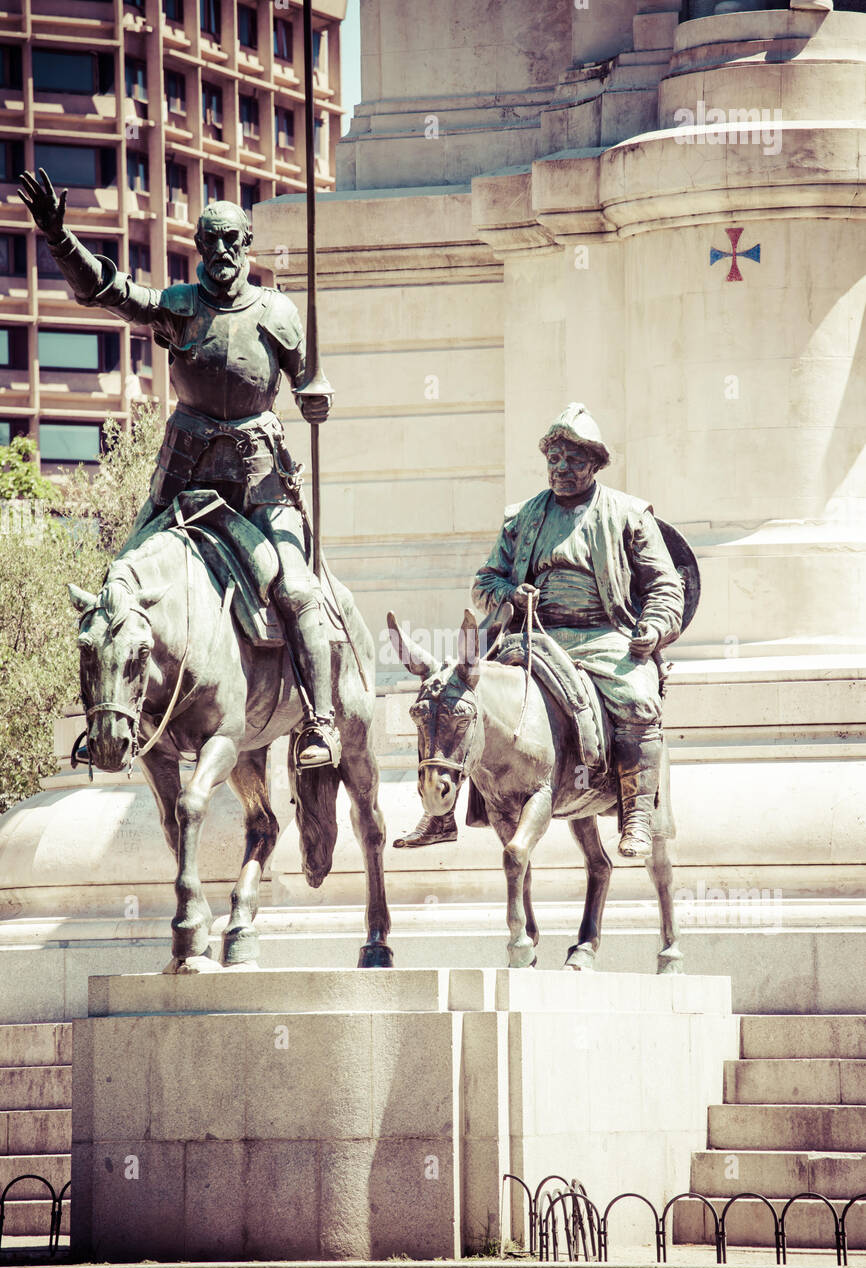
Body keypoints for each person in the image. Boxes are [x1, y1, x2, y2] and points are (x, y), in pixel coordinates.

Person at [18, 167, 339, 769]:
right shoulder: (178, 307)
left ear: (246, 245)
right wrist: (61, 239)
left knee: (296, 588)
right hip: (183, 481)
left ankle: (320, 721)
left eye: (230, 240)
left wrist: (317, 394)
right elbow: (107, 292)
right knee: (117, 590)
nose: (220, 252)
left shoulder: (279, 313)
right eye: (208, 242)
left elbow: (308, 382)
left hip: (258, 487)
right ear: (198, 250)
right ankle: (109, 719)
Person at [396, 403, 685, 857]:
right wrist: (512, 594)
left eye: (573, 460)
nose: (561, 469)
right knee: (459, 696)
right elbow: (484, 582)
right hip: (532, 638)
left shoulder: (629, 514)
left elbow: (666, 584)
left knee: (639, 700)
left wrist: (653, 626)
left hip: (606, 638)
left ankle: (636, 815)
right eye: (554, 460)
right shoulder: (522, 517)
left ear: (594, 464)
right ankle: (439, 815)